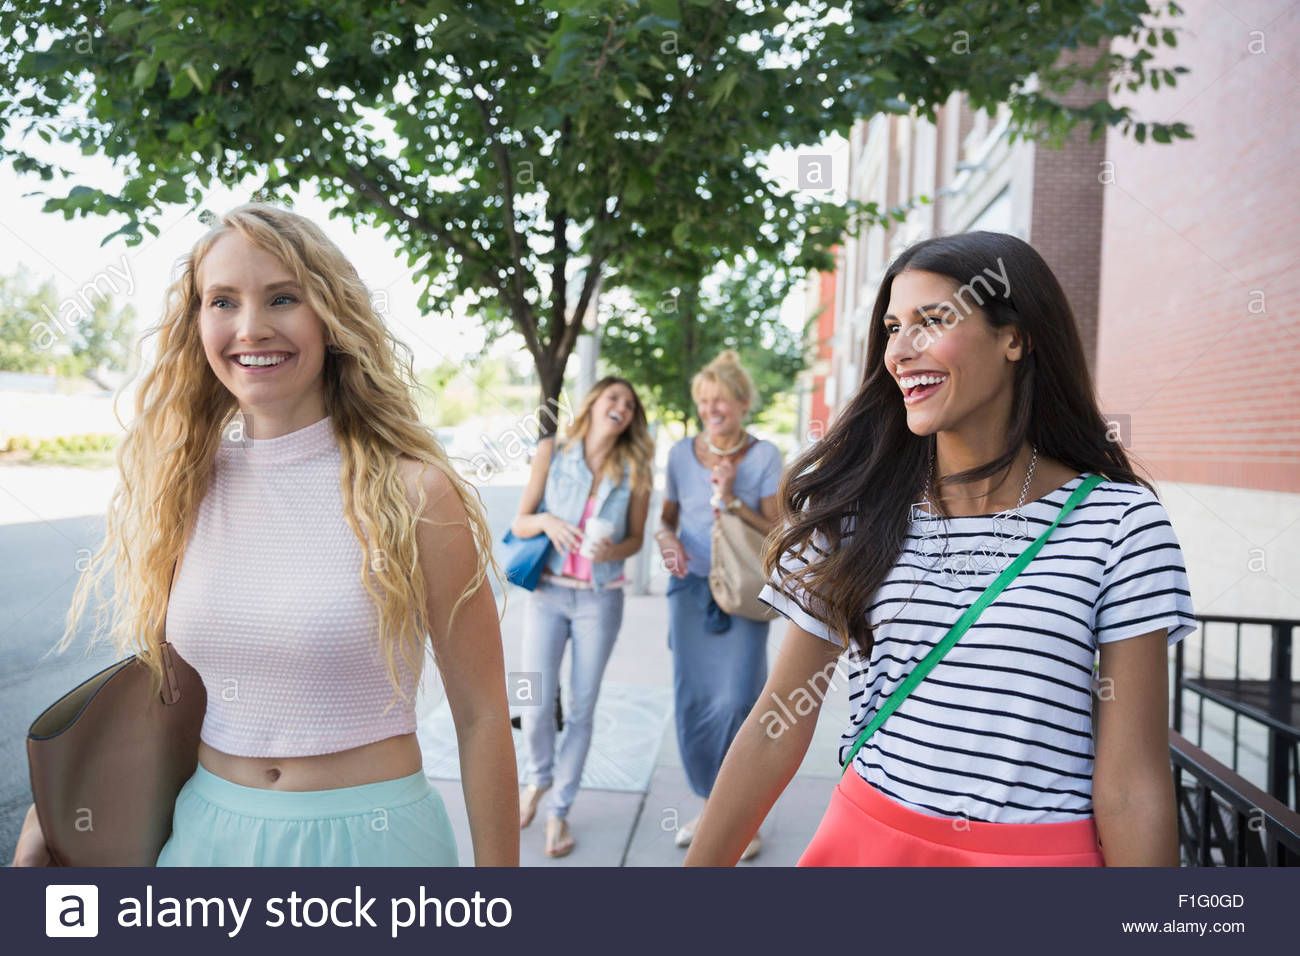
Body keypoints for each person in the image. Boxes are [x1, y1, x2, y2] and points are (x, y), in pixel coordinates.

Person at [11, 203, 518, 867]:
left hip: (371, 845)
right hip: (205, 839)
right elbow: (160, 695)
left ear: (330, 318)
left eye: (283, 297)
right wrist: (46, 817)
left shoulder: (415, 492)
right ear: (197, 322)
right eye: (222, 300)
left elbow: (482, 717)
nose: (250, 327)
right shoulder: (182, 486)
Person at [684, 231, 1196, 867]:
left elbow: (1131, 785)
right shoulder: (860, 512)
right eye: (894, 327)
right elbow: (776, 722)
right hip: (864, 847)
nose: (901, 349)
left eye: (932, 321)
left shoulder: (1120, 524)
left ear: (1016, 337)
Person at [510, 377, 654, 857]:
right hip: (548, 594)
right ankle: (537, 780)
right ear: (593, 404)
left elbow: (636, 540)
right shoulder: (551, 452)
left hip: (599, 599)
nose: (622, 407)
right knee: (532, 701)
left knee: (582, 709)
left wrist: (616, 548)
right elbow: (519, 522)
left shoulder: (635, 467)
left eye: (630, 404)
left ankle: (559, 812)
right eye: (615, 398)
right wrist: (549, 522)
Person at [655, 350, 783, 861]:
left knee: (737, 701)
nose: (711, 409)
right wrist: (667, 541)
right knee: (693, 702)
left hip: (744, 593)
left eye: (721, 400)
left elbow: (779, 529)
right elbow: (667, 519)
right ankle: (713, 809)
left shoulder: (765, 455)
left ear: (743, 402)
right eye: (704, 401)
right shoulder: (681, 454)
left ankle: (742, 818)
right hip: (690, 591)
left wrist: (730, 498)